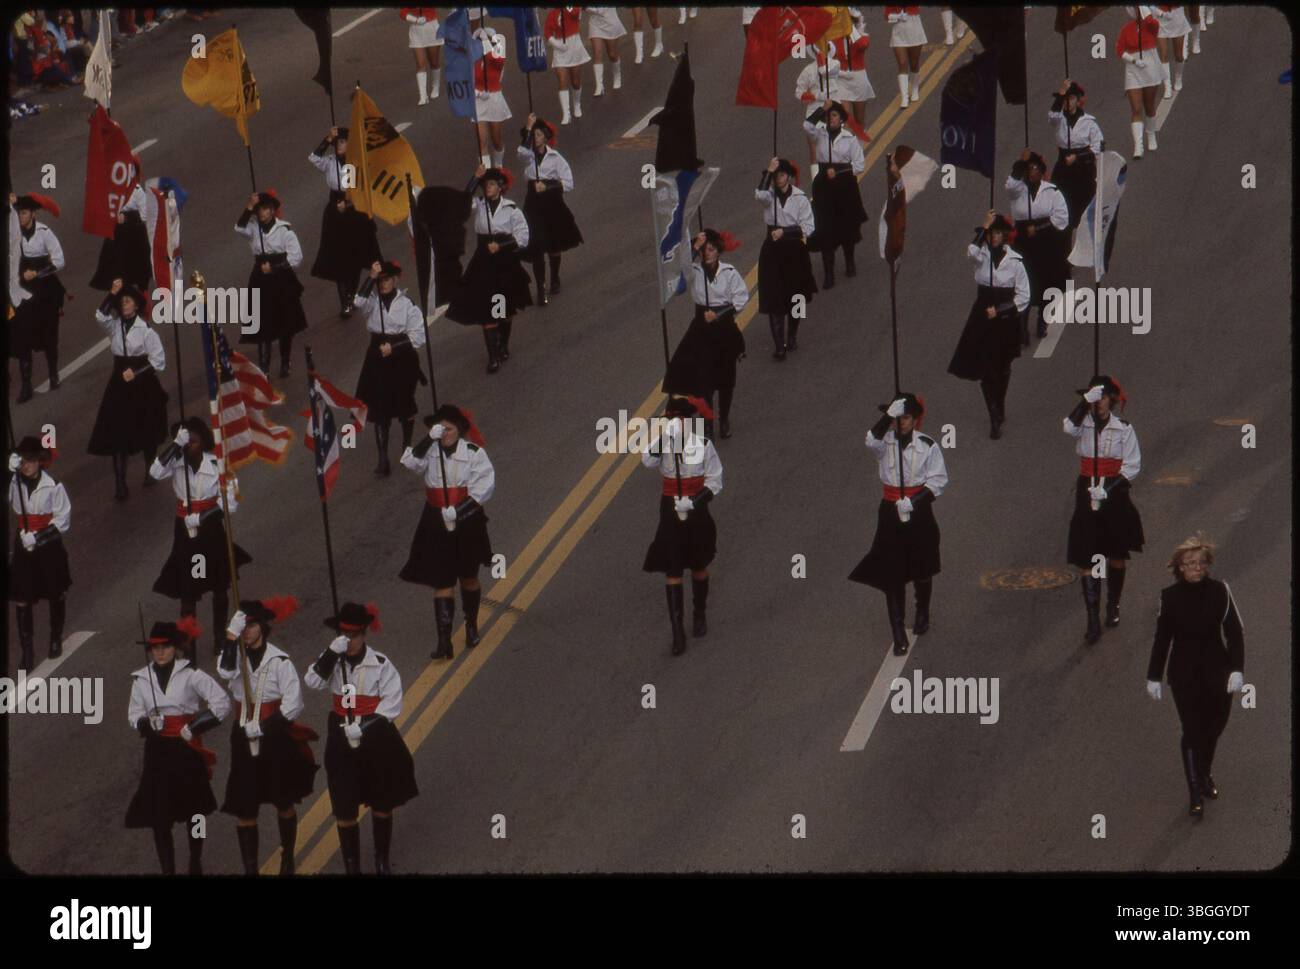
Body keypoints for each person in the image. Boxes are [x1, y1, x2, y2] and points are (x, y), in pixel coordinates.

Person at [306, 603, 418, 875]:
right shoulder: (332, 658)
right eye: (343, 634)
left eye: (354, 635)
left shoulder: (380, 664)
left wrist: (364, 727)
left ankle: (381, 859)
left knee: (381, 801)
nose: (349, 640)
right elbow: (313, 682)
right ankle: (352, 866)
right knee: (344, 805)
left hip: (375, 736)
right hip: (341, 734)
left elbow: (392, 704)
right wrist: (332, 654)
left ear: (364, 634)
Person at [218, 597, 319, 877]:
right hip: (242, 735)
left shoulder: (280, 660)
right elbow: (224, 671)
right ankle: (251, 869)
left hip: (273, 737)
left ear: (262, 627)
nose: (247, 632)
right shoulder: (235, 657)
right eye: (243, 627)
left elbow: (293, 704)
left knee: (283, 800)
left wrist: (264, 727)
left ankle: (288, 854)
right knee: (244, 806)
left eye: (251, 626)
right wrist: (229, 636)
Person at [1146, 534, 1244, 817]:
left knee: (1214, 728)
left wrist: (1237, 669)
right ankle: (1195, 792)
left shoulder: (1221, 591)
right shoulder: (1170, 597)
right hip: (1184, 674)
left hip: (1218, 671)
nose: (1197, 568)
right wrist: (1153, 676)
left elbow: (1235, 633)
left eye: (1201, 563)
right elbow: (1162, 639)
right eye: (1190, 563)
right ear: (1179, 567)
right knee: (1192, 730)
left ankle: (1205, 773)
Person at [126, 617, 230, 875]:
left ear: (176, 648)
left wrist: (195, 727)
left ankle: (196, 860)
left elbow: (222, 703)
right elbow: (133, 713)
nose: (160, 652)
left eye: (165, 646)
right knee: (159, 818)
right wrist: (147, 724)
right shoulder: (141, 679)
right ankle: (168, 870)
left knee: (196, 812)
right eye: (155, 647)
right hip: (157, 751)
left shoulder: (192, 675)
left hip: (186, 749)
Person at [848, 393, 947, 655]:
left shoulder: (927, 445)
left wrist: (914, 502)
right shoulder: (885, 442)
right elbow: (871, 440)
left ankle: (922, 610)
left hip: (917, 510)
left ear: (915, 420)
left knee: (922, 565)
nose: (901, 422)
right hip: (890, 511)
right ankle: (898, 629)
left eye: (905, 417)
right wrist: (886, 416)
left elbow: (938, 481)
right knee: (893, 571)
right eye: (897, 418)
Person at [150, 417, 251, 667]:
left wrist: (203, 516)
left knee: (218, 586)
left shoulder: (217, 463)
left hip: (210, 530)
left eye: (193, 441)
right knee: (188, 591)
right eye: (186, 442)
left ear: (203, 440)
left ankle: (219, 637)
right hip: (185, 532)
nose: (189, 447)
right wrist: (175, 445)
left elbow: (231, 502)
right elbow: (154, 472)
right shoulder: (177, 463)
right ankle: (187, 645)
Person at [398, 405, 495, 660]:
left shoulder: (474, 454)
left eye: (448, 429)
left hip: (466, 520)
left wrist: (459, 511)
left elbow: (483, 488)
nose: (444, 434)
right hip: (435, 520)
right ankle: (444, 641)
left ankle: (471, 625)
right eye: (440, 430)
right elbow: (409, 461)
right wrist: (428, 438)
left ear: (459, 430)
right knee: (441, 580)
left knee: (468, 577)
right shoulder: (430, 450)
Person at [641, 396, 722, 656]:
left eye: (678, 419)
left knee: (698, 566)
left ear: (689, 421)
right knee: (672, 569)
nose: (674, 423)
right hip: (669, 510)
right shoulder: (664, 443)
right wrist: (665, 440)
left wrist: (695, 502)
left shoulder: (704, 445)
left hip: (695, 511)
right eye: (670, 420)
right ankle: (677, 631)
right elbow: (647, 461)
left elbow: (715, 481)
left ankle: (700, 612)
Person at [1065, 376, 1144, 644]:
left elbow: (1132, 465)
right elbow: (1067, 427)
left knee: (1116, 554)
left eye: (1101, 398)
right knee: (1088, 554)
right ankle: (1092, 619)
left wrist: (1109, 490)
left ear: (1111, 399)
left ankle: (1113, 603)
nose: (1097, 404)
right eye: (1093, 399)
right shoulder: (1082, 423)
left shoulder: (1123, 428)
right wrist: (1082, 403)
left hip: (1113, 490)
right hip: (1086, 487)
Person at [947, 213, 1029, 440]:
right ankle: (993, 415)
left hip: (1004, 318)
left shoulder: (1015, 262)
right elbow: (970, 252)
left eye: (997, 233)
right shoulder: (981, 256)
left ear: (1005, 236)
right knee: (986, 368)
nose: (994, 237)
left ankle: (999, 403)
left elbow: (1024, 296)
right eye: (991, 233)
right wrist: (982, 227)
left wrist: (1002, 310)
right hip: (982, 314)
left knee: (1003, 367)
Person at [87, 280, 169, 500]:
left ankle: (150, 469)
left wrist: (138, 372)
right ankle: (120, 482)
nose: (123, 305)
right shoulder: (114, 327)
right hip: (119, 383)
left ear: (136, 305)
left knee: (146, 428)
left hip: (142, 384)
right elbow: (99, 317)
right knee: (116, 432)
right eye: (121, 301)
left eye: (128, 301)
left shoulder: (146, 331)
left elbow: (158, 360)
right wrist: (110, 295)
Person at [662, 229, 748, 439]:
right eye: (704, 250)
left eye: (710, 249)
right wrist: (694, 246)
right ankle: (708, 421)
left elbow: (741, 299)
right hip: (701, 329)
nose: (707, 254)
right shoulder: (695, 270)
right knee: (704, 379)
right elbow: (679, 270)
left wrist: (719, 314)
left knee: (726, 379)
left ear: (718, 251)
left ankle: (724, 419)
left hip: (723, 329)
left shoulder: (729, 273)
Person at [446, 166, 532, 374]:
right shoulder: (479, 205)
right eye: (486, 184)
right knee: (487, 310)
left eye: (492, 184)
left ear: (501, 187)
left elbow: (523, 238)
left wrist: (501, 246)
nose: (488, 187)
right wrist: (474, 178)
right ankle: (493, 355)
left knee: (502, 308)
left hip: (504, 264)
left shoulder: (512, 210)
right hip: (483, 263)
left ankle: (503, 343)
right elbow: (463, 201)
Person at [353, 260, 427, 476]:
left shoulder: (407, 305)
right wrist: (371, 277)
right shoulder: (371, 302)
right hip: (376, 356)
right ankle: (383, 458)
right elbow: (357, 302)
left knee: (404, 405)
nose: (383, 284)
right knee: (378, 408)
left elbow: (418, 336)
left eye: (387, 279)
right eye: (381, 280)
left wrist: (394, 347)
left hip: (402, 358)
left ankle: (406, 446)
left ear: (395, 280)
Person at [7, 435, 71, 670]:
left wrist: (38, 536)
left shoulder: (53, 486)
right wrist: (8, 473)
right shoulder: (14, 482)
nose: (26, 465)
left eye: (30, 460)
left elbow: (63, 521)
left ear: (40, 461)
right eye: (22, 460)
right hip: (23, 544)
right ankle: (28, 650)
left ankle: (55, 638)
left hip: (47, 545)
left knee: (55, 592)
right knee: (22, 598)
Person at [308, 127, 382, 319]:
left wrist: (347, 204)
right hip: (335, 214)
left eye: (342, 142)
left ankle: (353, 292)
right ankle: (345, 302)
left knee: (356, 258)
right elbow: (314, 158)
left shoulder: (356, 164)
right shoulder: (330, 162)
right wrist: (327, 138)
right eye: (337, 143)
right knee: (339, 258)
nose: (339, 146)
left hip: (354, 212)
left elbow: (360, 189)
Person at [235, 191, 308, 379]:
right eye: (259, 210)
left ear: (273, 210)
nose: (261, 213)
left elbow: (296, 257)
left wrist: (275, 267)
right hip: (260, 278)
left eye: (265, 209)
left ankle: (285, 361)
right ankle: (264, 368)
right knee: (262, 324)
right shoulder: (253, 227)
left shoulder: (285, 231)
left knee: (285, 324)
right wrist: (249, 207)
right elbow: (239, 228)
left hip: (281, 279)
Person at [516, 114, 583, 307]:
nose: (535, 138)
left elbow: (569, 183)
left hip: (552, 203)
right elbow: (521, 152)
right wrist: (528, 129)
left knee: (554, 244)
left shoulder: (556, 158)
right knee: (536, 245)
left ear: (545, 137)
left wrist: (549, 186)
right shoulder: (528, 156)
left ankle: (554, 277)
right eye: (533, 135)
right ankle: (540, 286)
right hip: (533, 205)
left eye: (538, 134)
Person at [1005, 150, 1069, 343]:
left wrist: (1040, 227)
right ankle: (1022, 324)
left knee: (1048, 282)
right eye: (1028, 169)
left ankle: (1043, 319)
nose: (1031, 172)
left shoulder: (1052, 192)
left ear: (1041, 172)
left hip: (1046, 243)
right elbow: (1010, 185)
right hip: (1023, 243)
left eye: (1034, 168)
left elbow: (1062, 219)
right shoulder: (1018, 191)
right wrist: (1019, 163)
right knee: (1024, 283)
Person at [755, 157, 816, 359]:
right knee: (774, 297)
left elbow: (808, 227)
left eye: (780, 175)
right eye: (775, 176)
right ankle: (779, 345)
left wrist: (786, 232)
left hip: (794, 251)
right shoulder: (769, 196)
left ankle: (792, 335)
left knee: (796, 297)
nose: (778, 179)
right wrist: (767, 170)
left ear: (788, 176)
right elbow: (759, 195)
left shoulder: (800, 198)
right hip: (772, 251)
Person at [803, 100, 867, 289]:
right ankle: (828, 273)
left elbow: (859, 165)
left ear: (841, 120)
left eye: (834, 115)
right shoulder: (820, 134)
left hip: (845, 186)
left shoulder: (850, 139)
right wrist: (822, 108)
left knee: (847, 226)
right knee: (825, 228)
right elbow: (806, 125)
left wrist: (840, 171)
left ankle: (849, 261)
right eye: (829, 115)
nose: (831, 118)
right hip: (824, 186)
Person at [10, 193, 65, 399]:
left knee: (50, 333)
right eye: (18, 213)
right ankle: (26, 385)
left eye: (23, 213)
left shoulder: (44, 233)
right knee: (21, 333)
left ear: (32, 214)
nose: (20, 217)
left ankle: (53, 374)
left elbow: (59, 260)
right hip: (23, 290)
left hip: (45, 290)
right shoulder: (14, 234)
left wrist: (38, 273)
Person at [1047, 80, 1103, 235]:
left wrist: (1077, 157)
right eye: (1065, 99)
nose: (1067, 102)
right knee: (1060, 206)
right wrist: (1061, 94)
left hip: (1083, 168)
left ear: (1078, 101)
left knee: (1085, 209)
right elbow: (1052, 116)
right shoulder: (1058, 120)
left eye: (1070, 98)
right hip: (1064, 166)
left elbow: (1098, 147)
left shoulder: (1089, 123)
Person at [88, 157, 151, 293]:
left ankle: (143, 303)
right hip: (117, 236)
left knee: (139, 273)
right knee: (116, 272)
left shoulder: (137, 190)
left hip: (135, 236)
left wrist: (127, 217)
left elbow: (145, 214)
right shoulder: (112, 191)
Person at [468, 8, 512, 169]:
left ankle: (498, 165)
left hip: (494, 98)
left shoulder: (497, 52)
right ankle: (486, 175)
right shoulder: (472, 57)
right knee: (482, 140)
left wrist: (487, 43)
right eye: (479, 40)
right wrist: (476, 92)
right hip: (479, 99)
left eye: (484, 40)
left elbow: (498, 63)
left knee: (496, 140)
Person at [1117, 10, 1162, 158]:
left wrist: (1145, 10)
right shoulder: (1126, 29)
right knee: (1136, 108)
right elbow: (1119, 50)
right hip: (1133, 69)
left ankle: (1151, 134)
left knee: (1149, 106)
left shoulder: (1151, 25)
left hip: (1150, 66)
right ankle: (1138, 146)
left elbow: (1154, 24)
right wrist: (1134, 60)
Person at [794, 48, 839, 179]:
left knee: (835, 145)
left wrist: (821, 60)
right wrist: (816, 96)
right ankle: (816, 183)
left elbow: (824, 70)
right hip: (814, 110)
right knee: (814, 149)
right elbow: (799, 93)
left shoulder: (835, 64)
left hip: (833, 107)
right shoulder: (807, 71)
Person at [545, 6, 589, 125]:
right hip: (560, 50)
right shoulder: (553, 13)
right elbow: (547, 32)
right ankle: (566, 113)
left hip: (574, 45)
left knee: (575, 81)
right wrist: (557, 45)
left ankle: (577, 104)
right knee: (562, 80)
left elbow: (574, 14)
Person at [831, 9, 875, 127]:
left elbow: (863, 45)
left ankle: (859, 145)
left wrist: (851, 31)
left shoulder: (861, 37)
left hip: (858, 78)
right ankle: (842, 144)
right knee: (843, 116)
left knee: (859, 120)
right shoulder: (834, 38)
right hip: (841, 78)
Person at [401, 8, 443, 105]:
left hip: (431, 27)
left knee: (434, 62)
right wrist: (414, 20)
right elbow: (402, 12)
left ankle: (436, 86)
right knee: (420, 64)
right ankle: (423, 96)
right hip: (416, 29)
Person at [886, 5, 925, 108]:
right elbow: (886, 15)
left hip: (914, 28)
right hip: (899, 32)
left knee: (914, 63)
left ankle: (915, 88)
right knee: (902, 63)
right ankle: (904, 97)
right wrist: (898, 16)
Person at [1153, 3, 1191, 98]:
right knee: (1163, 54)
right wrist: (1159, 12)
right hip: (1161, 18)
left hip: (1176, 17)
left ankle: (1178, 77)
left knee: (1178, 55)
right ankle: (1167, 86)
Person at [586, 6, 625, 96]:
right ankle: (599, 86)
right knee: (597, 53)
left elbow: (602, 10)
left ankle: (617, 75)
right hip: (595, 23)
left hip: (610, 21)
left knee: (612, 54)